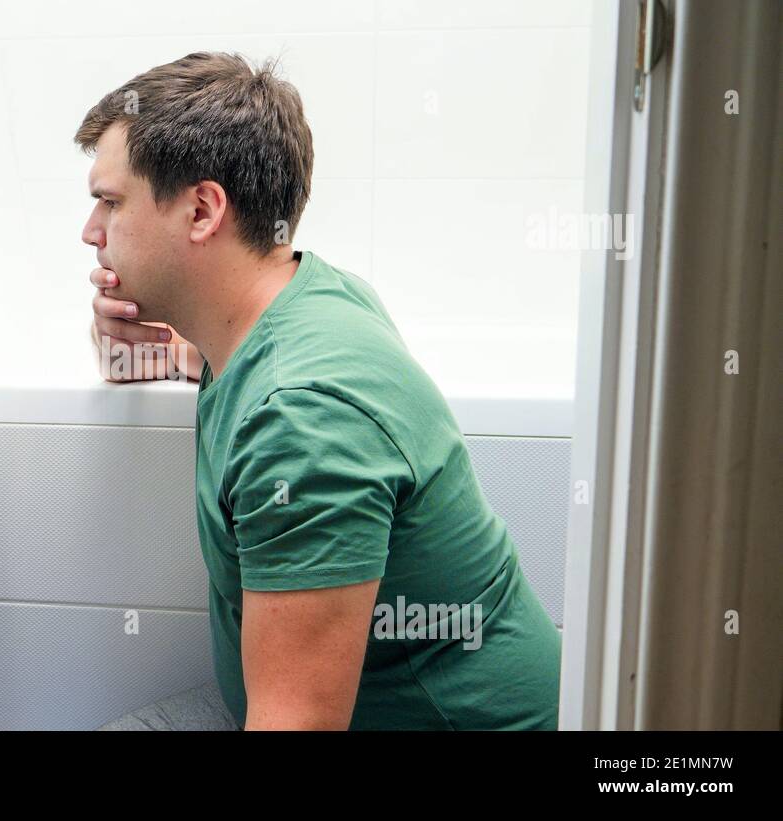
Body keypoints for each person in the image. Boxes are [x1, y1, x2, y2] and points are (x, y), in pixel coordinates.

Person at [80, 52, 561, 731]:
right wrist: (135, 346)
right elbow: (207, 364)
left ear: (201, 210)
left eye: (109, 201)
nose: (90, 231)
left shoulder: (303, 420)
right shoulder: (295, 300)